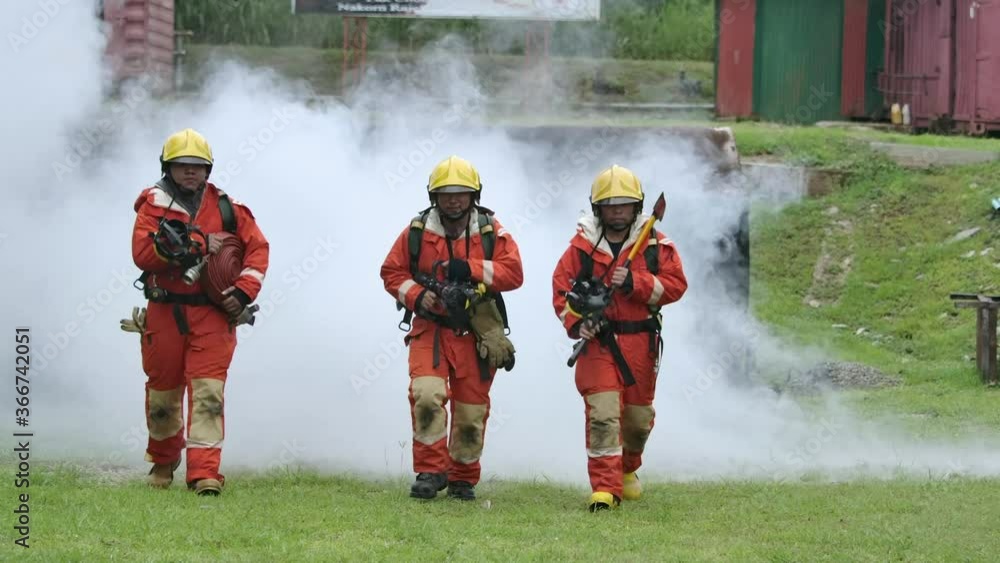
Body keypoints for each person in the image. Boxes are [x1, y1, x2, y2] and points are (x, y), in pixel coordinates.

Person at [129, 128, 270, 496]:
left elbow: (257, 251)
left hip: (213, 315)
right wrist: (192, 244)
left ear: (208, 169)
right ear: (168, 167)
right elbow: (142, 255)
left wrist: (241, 292)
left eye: (198, 166)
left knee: (208, 393)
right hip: (164, 309)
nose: (190, 172)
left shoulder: (228, 208)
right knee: (162, 392)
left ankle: (204, 471)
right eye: (182, 166)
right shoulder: (152, 205)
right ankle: (162, 461)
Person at [380, 155, 523, 501]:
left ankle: (462, 478)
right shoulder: (416, 232)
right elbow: (391, 273)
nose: (454, 199)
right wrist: (418, 296)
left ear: (474, 195)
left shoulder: (490, 231)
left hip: (476, 332)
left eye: (461, 193)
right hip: (431, 330)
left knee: (472, 413)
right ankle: (430, 471)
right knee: (426, 396)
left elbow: (514, 273)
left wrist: (469, 269)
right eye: (446, 193)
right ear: (434, 197)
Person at [551, 165, 688, 511]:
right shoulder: (581, 247)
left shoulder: (656, 244)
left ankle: (627, 469)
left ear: (636, 207)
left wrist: (635, 283)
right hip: (598, 345)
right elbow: (560, 291)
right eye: (610, 205)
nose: (618, 211)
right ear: (598, 208)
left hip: (641, 343)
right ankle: (604, 489)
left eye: (624, 205)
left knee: (638, 421)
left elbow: (676, 286)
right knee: (603, 413)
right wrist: (577, 323)